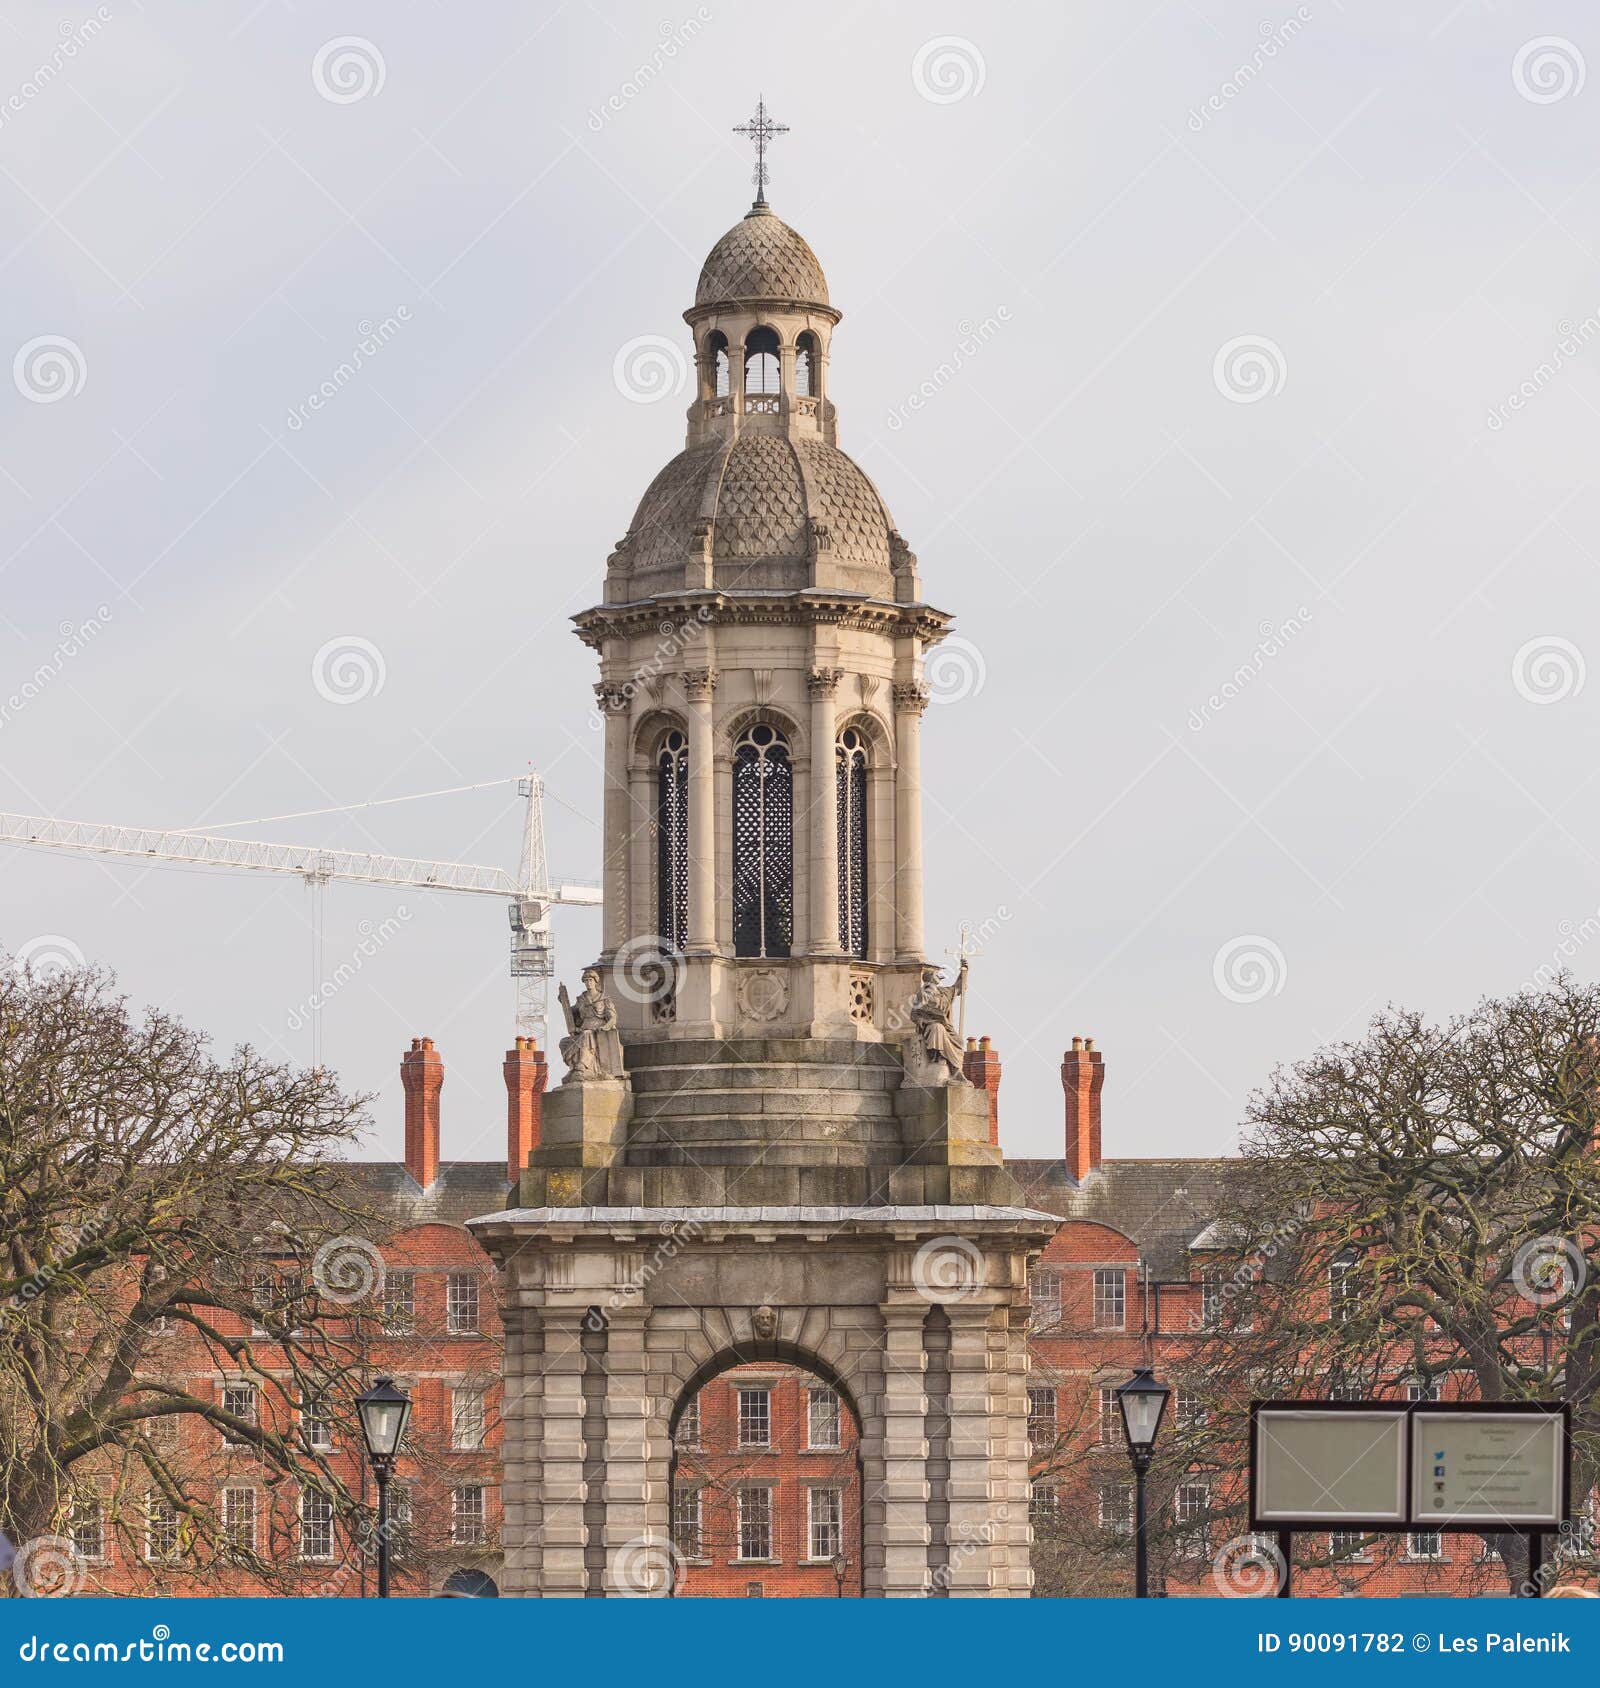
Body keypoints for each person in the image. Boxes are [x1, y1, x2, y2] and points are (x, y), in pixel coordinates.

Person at [557, 967, 624, 1080]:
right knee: (564, 1042)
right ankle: (573, 1068)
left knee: (586, 1035)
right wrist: (563, 1001)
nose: (588, 983)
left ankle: (582, 1066)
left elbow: (612, 1017)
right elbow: (571, 1013)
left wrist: (605, 1027)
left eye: (590, 980)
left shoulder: (604, 999)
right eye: (586, 981)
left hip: (597, 1030)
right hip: (583, 1029)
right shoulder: (581, 999)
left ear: (595, 981)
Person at [909, 957, 967, 1081]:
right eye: (935, 975)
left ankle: (956, 1068)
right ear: (929, 979)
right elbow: (914, 1014)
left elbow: (958, 987)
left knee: (959, 1041)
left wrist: (963, 972)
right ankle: (940, 1059)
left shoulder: (944, 992)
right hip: (930, 1025)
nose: (938, 976)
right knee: (937, 1029)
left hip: (946, 1026)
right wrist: (924, 1020)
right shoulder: (922, 994)